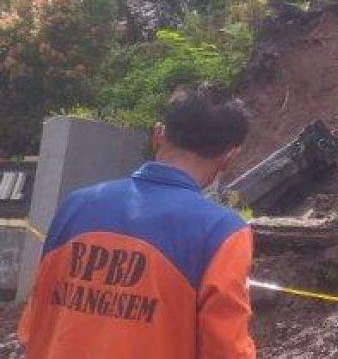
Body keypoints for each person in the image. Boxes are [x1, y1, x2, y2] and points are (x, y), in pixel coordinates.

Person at [18, 86, 256, 358]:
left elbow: (34, 324)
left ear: (159, 134)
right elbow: (225, 349)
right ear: (230, 155)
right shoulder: (223, 233)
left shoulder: (75, 207)